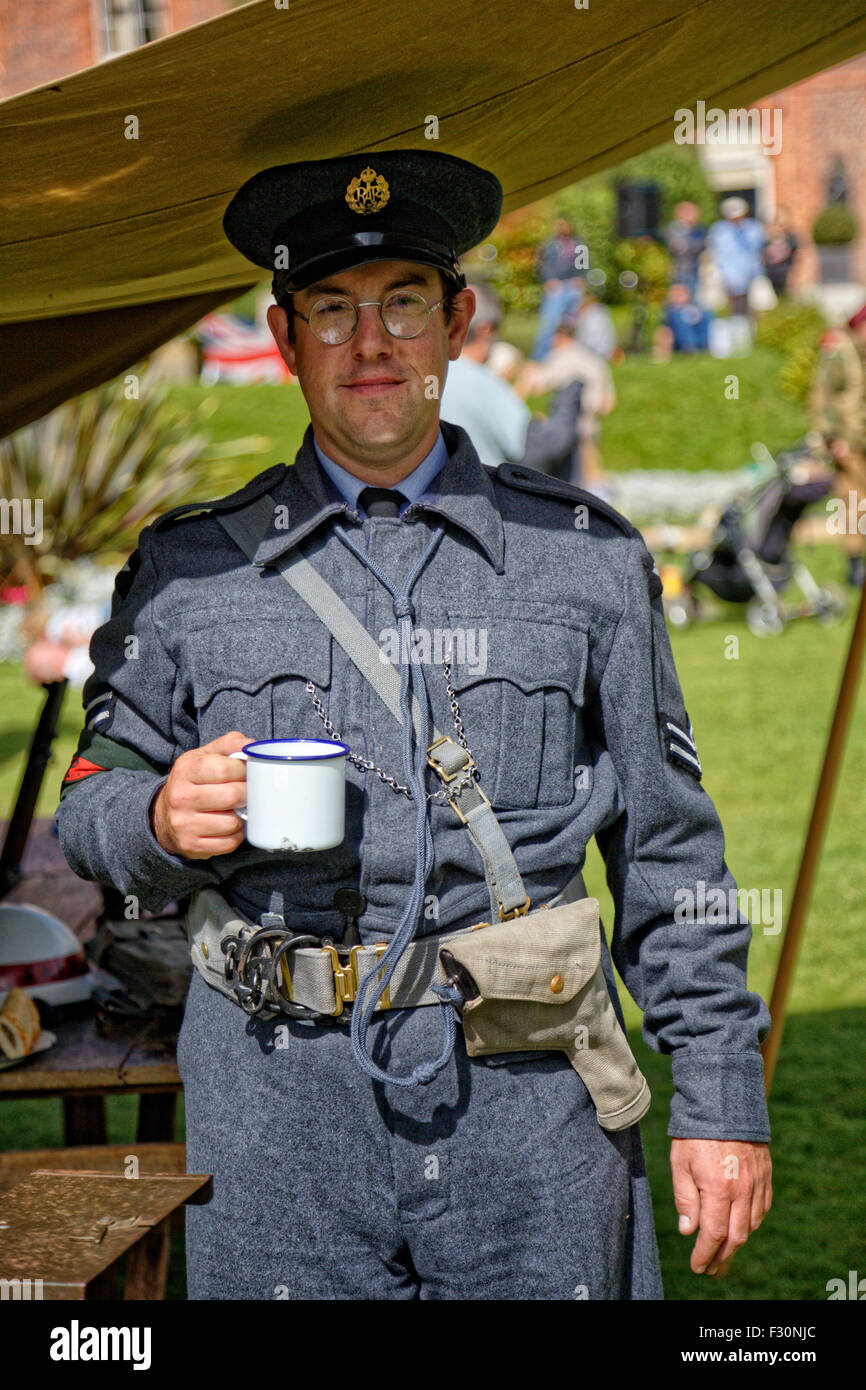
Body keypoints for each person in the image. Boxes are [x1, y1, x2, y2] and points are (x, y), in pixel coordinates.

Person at [55, 148, 772, 1301]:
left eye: (401, 304)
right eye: (331, 311)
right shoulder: (189, 572)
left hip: (530, 1110)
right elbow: (88, 797)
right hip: (275, 1117)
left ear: (459, 323)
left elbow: (668, 851)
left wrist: (720, 1096)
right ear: (285, 342)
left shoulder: (583, 559)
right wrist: (150, 813)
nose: (370, 343)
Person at [518, 317, 615, 490]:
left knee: (570, 485)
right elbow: (607, 403)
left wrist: (528, 371)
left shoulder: (562, 357)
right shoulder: (595, 360)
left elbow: (539, 386)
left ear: (560, 337)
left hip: (568, 430)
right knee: (592, 479)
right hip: (591, 425)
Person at [440, 282, 529, 465]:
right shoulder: (482, 381)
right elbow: (528, 447)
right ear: (485, 330)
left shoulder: (426, 377)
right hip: (484, 489)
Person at [810, 301, 866, 587]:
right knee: (855, 505)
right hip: (850, 444)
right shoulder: (840, 352)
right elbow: (823, 397)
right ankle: (856, 566)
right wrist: (832, 439)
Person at [530, 215, 584, 360]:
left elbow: (583, 266)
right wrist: (549, 281)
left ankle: (570, 354)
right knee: (549, 322)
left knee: (573, 321)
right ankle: (541, 356)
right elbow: (542, 265)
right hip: (555, 287)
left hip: (572, 286)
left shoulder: (578, 244)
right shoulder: (550, 245)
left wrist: (579, 279)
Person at [707, 196, 766, 317]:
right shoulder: (719, 230)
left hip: (752, 275)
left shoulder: (754, 228)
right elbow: (716, 255)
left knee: (756, 310)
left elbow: (759, 252)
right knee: (730, 311)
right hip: (727, 277)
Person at [665, 201, 707, 297]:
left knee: (693, 298)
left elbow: (701, 245)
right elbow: (676, 246)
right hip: (677, 270)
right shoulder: (675, 228)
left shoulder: (698, 230)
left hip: (694, 269)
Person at [661, 282, 713, 355]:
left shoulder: (692, 304)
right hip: (676, 315)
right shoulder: (670, 311)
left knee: (706, 315)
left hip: (688, 311)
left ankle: (704, 345)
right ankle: (689, 347)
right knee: (678, 318)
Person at [762, 210, 798, 297]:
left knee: (785, 291)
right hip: (772, 269)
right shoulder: (769, 236)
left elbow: (793, 249)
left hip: (785, 268)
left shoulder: (790, 236)